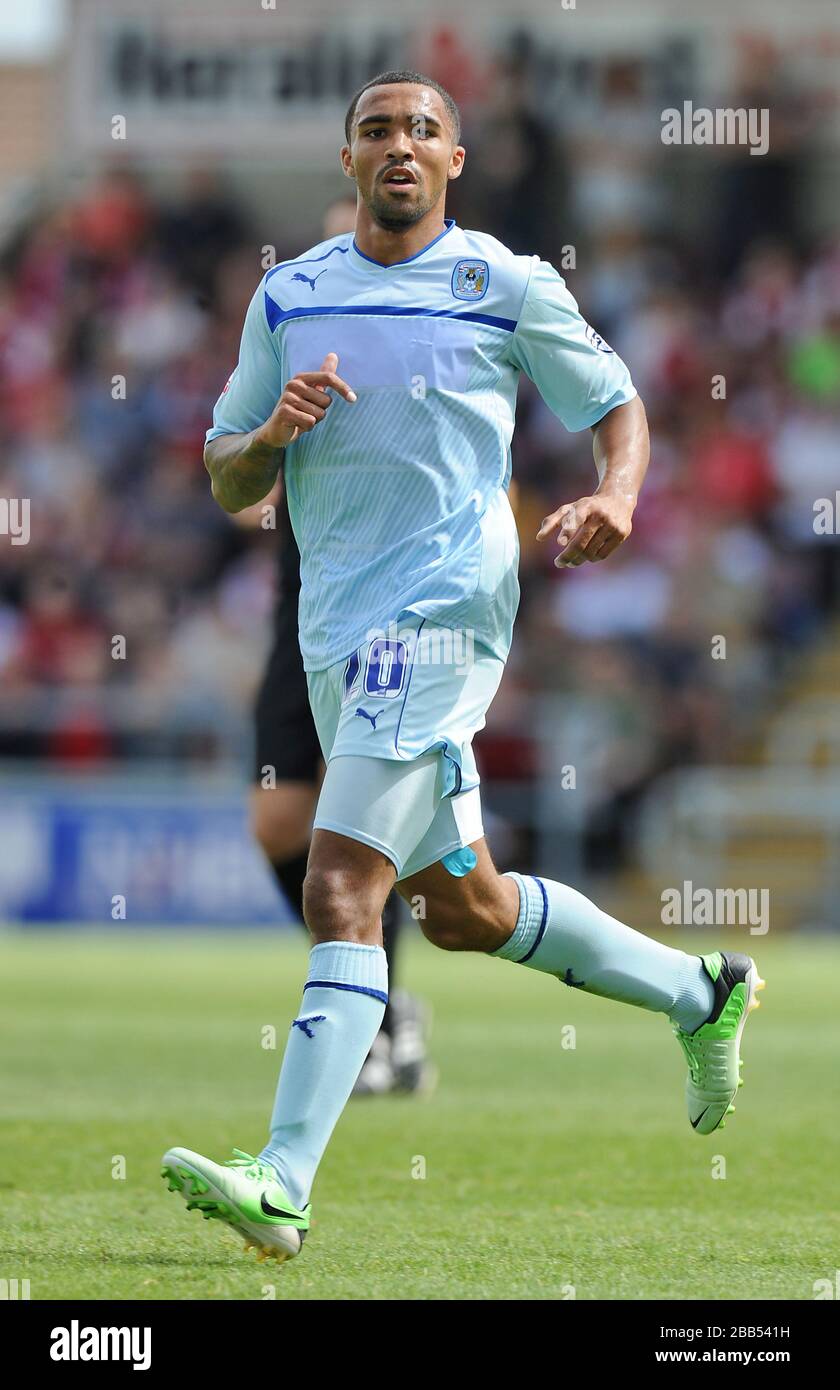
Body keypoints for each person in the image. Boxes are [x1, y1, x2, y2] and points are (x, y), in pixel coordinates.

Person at [163, 70, 764, 1263]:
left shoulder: (508, 285)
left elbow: (620, 403)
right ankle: (704, 992)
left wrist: (618, 493)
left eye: (422, 131)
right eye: (377, 131)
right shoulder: (289, 296)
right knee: (467, 910)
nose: (400, 146)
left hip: (444, 621)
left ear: (456, 161)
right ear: (347, 164)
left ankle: (282, 1181)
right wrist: (271, 437)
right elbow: (225, 473)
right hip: (334, 634)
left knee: (343, 885)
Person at [249, 193, 435, 1098]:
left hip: (392, 620)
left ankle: (377, 1014)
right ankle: (381, 1001)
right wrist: (264, 443)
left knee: (369, 835)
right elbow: (231, 454)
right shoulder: (288, 325)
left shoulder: (423, 339)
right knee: (279, 819)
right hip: (299, 611)